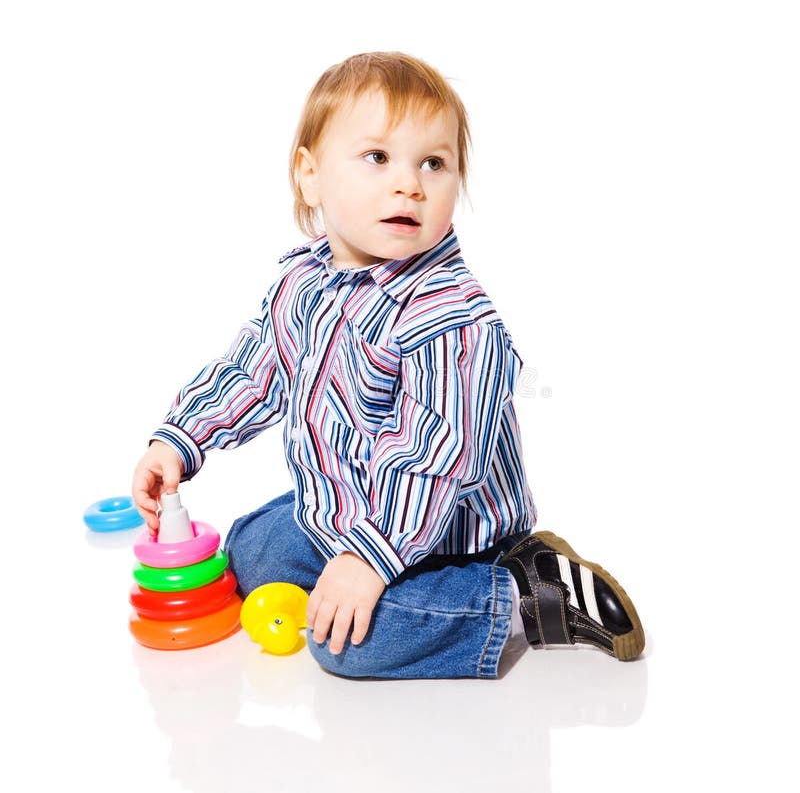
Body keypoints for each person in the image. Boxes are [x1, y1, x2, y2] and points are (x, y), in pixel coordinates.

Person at [132, 51, 644, 678]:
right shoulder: (304, 281)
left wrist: (369, 559)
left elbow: (436, 455)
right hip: (349, 504)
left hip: (444, 534)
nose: (410, 183)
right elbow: (257, 366)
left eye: (434, 162)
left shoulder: (451, 317)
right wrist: (180, 440)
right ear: (311, 177)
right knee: (248, 553)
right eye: (377, 157)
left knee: (345, 642)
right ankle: (351, 565)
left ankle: (521, 595)